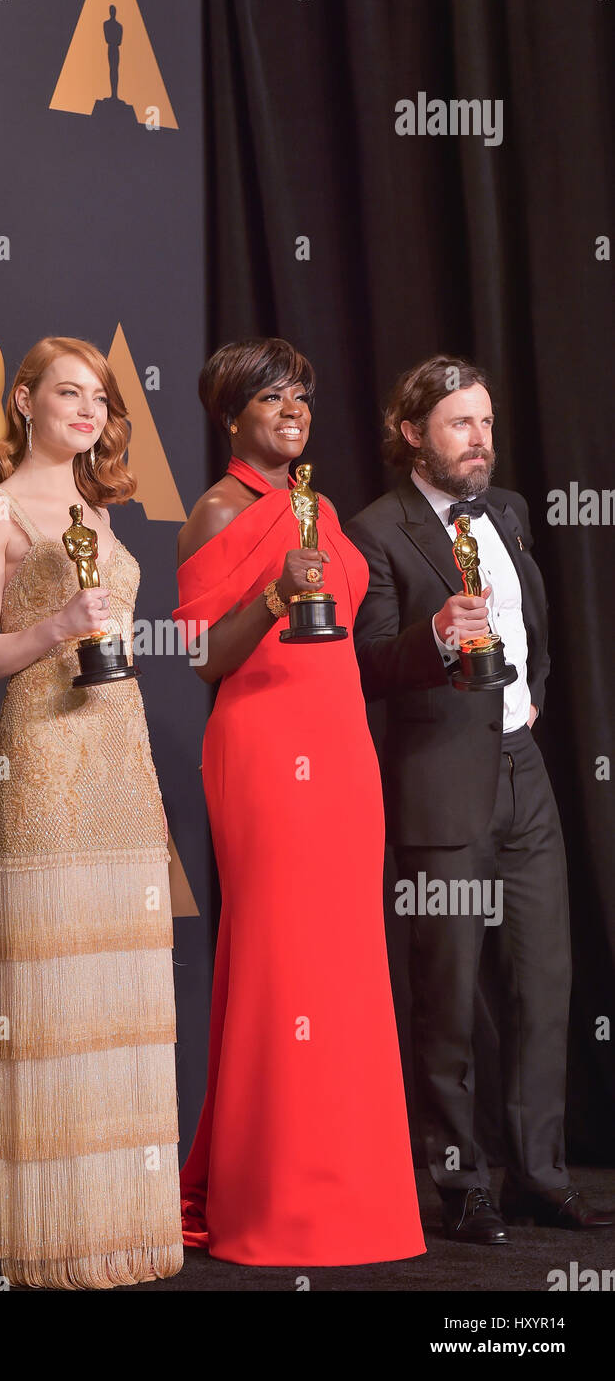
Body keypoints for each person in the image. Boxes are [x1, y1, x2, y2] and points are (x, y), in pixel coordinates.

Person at [344, 354, 613, 1243]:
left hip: (519, 771)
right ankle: (460, 1187)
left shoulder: (507, 512)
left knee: (543, 981)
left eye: (486, 422)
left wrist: (527, 689)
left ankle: (538, 1173)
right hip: (438, 784)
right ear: (412, 432)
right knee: (449, 994)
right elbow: (364, 663)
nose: (480, 439)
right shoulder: (374, 531)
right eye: (461, 423)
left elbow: (531, 618)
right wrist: (431, 635)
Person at [173, 338, 425, 1266]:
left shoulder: (314, 505)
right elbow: (199, 655)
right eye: (271, 397)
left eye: (301, 397)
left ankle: (354, 1196)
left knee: (346, 968)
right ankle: (271, 1200)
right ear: (231, 414)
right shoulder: (213, 511)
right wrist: (278, 591)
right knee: (284, 968)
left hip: (342, 753)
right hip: (265, 749)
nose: (292, 409)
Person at [0, 336, 183, 1289]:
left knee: (125, 997)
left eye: (98, 396)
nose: (87, 411)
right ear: (24, 401)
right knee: (55, 1002)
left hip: (118, 757)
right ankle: (55, 1243)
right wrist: (53, 627)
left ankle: (128, 1233)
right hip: (42, 761)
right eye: (68, 393)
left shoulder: (102, 505)